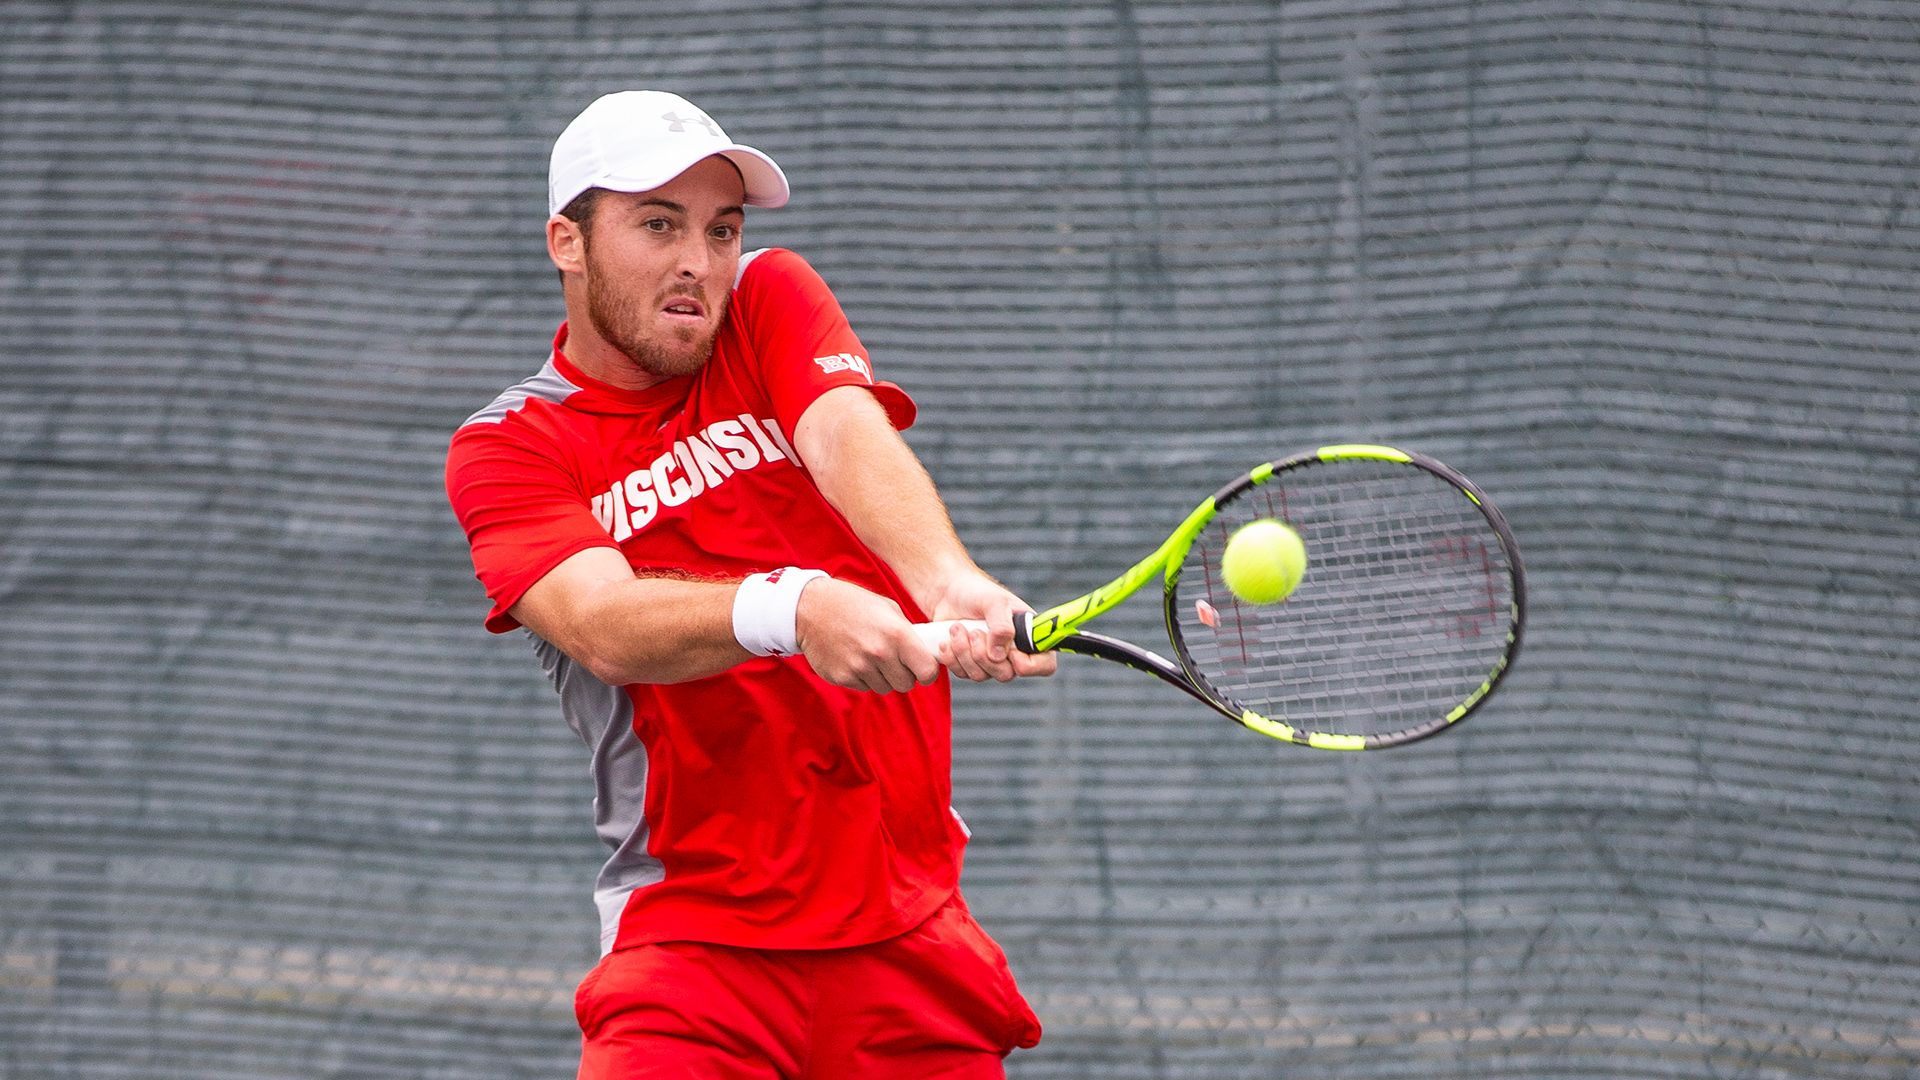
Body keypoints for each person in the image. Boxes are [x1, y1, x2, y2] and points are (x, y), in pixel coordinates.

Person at [444, 90, 1055, 1079]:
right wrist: (794, 606)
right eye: (658, 224)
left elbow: (849, 434)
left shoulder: (769, 298)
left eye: (720, 229)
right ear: (567, 241)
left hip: (908, 940)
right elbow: (598, 621)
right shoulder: (508, 447)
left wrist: (947, 581)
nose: (699, 260)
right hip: (691, 956)